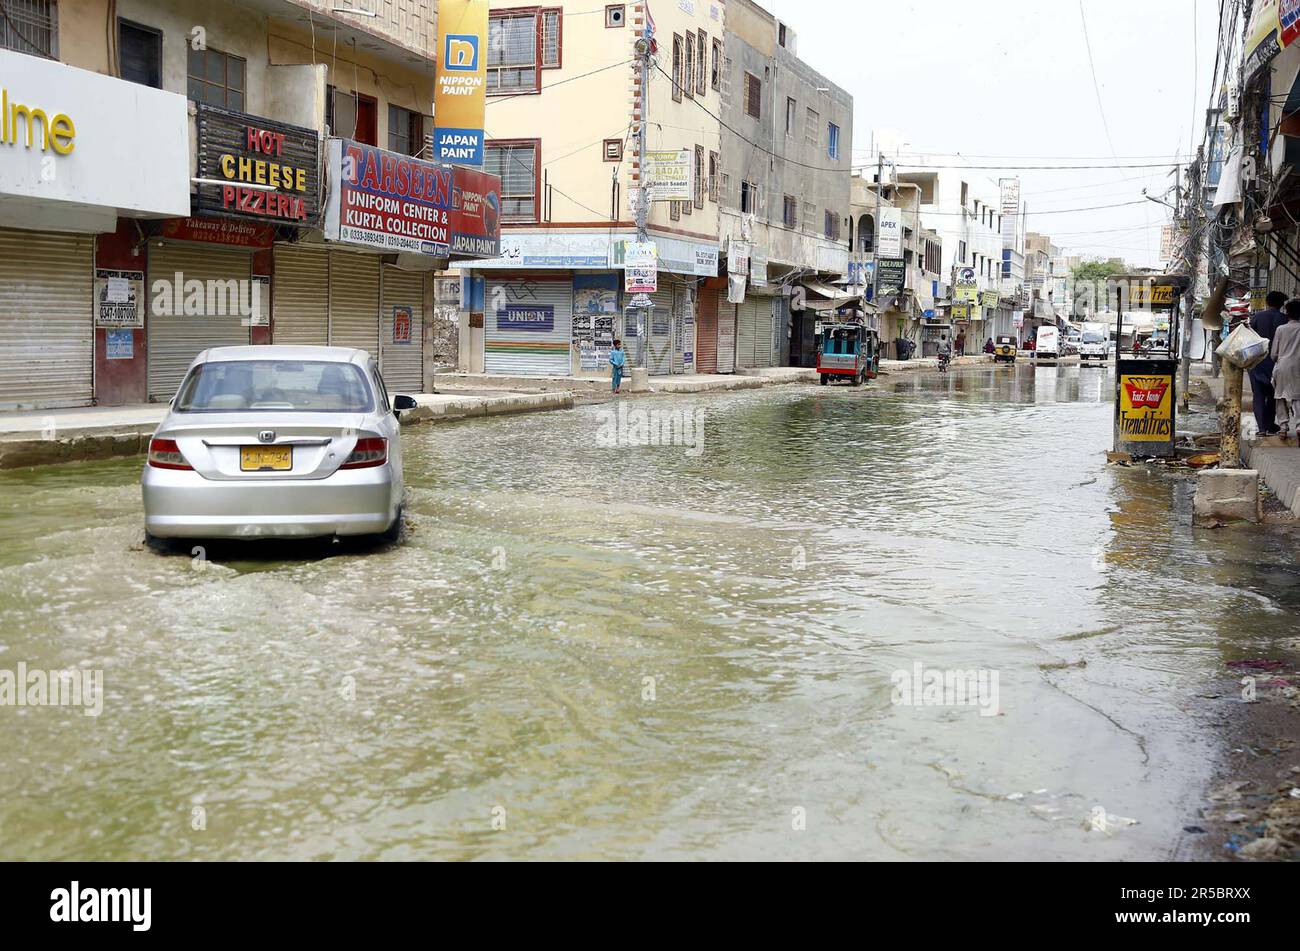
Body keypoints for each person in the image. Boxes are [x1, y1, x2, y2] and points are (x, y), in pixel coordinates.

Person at [1249, 291, 1289, 436]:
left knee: (1258, 395)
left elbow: (1248, 337)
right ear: (1281, 304)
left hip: (1257, 361)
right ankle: (1270, 424)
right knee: (1274, 395)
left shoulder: (1257, 317)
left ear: (1266, 302)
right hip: (1277, 362)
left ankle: (1261, 429)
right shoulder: (1285, 319)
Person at [1271, 301, 1300, 440]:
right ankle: (1299, 425)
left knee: (1280, 396)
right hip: (1298, 366)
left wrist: (1279, 358)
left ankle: (1283, 427)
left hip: (1282, 366)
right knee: (1297, 396)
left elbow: (1274, 354)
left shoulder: (1280, 329)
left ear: (1287, 313)